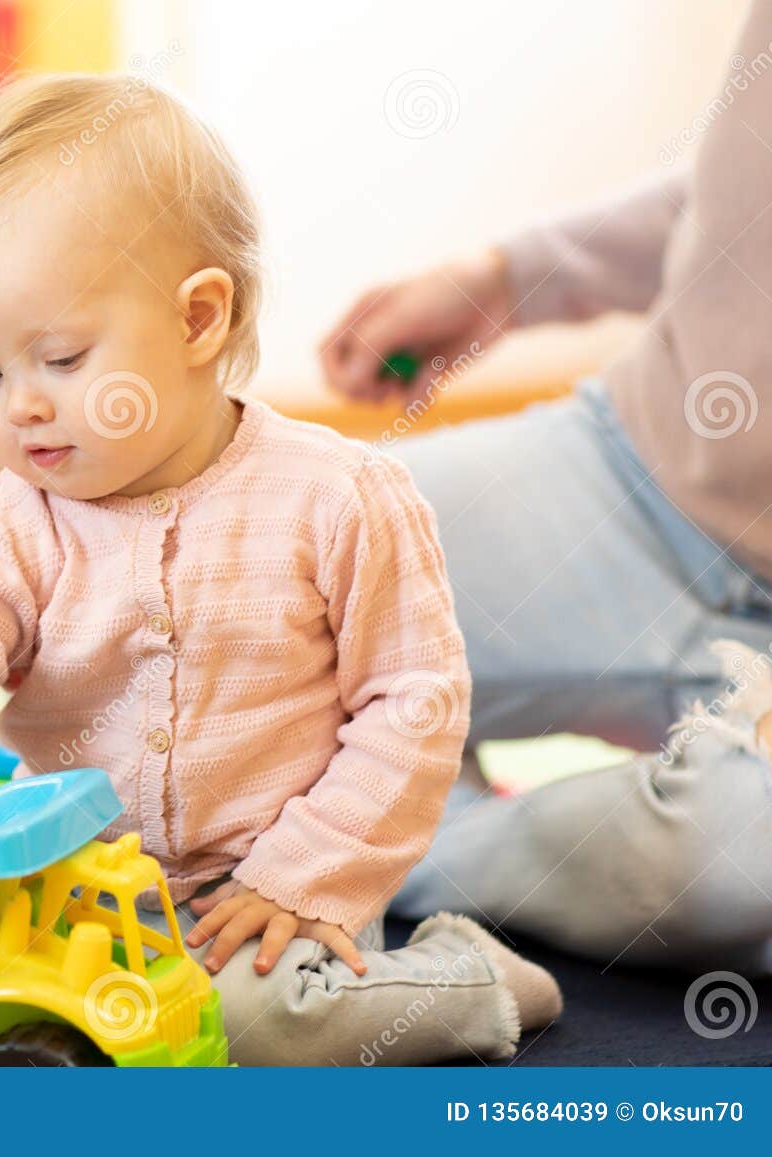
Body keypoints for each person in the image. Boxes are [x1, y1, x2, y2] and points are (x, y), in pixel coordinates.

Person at [0, 73, 562, 1065]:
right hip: (74, 910)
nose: (21, 406)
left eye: (59, 357)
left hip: (265, 911)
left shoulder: (341, 497)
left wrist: (302, 876)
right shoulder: (12, 528)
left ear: (196, 319)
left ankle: (465, 974)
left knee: (255, 1031)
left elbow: (414, 703)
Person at [317, 1, 772, 971]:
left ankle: (403, 847)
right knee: (231, 599)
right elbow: (744, 179)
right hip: (626, 479)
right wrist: (509, 273)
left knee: (735, 859)